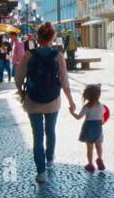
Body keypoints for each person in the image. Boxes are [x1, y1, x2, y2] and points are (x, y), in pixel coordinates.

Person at [16, 22, 76, 183]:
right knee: (51, 131)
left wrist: (22, 92)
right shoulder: (58, 56)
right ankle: (49, 159)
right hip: (53, 100)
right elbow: (64, 81)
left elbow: (18, 78)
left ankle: (41, 172)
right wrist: (71, 101)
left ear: (37, 38)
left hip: (33, 101)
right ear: (52, 37)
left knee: (37, 136)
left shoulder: (28, 55)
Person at [70, 83, 106, 173]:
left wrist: (72, 112)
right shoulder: (101, 106)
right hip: (98, 128)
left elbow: (78, 117)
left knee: (89, 148)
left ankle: (90, 164)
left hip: (88, 128)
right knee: (99, 145)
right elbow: (103, 119)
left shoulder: (86, 107)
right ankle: (100, 158)